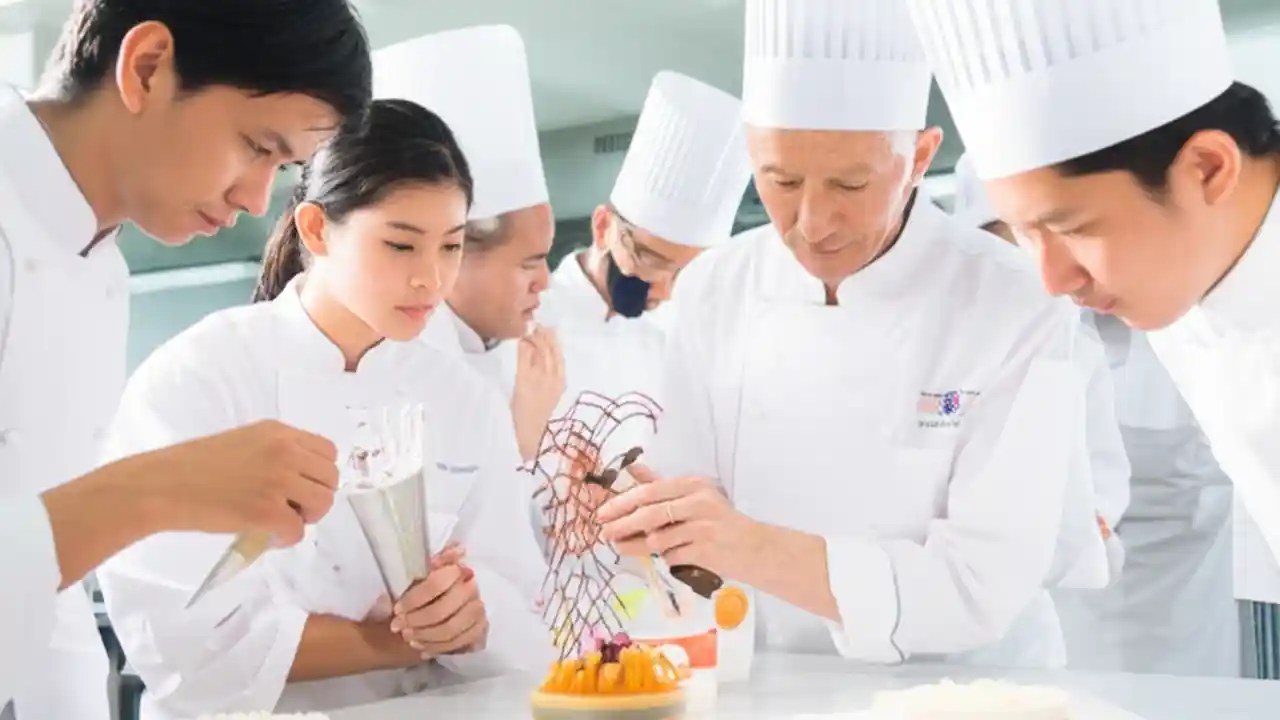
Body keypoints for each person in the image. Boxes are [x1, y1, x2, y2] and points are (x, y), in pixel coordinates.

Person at [597, 0, 1096, 669]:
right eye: (781, 181)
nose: (812, 222)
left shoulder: (1013, 301)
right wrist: (650, 523)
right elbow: (692, 514)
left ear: (920, 157)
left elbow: (979, 586)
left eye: (850, 183)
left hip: (973, 690)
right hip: (771, 680)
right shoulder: (715, 288)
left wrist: (740, 542)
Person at [99, 100, 550, 719]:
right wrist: (396, 642)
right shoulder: (200, 378)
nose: (431, 280)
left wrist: (470, 614)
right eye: (400, 245)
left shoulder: (462, 397)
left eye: (451, 246)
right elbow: (181, 637)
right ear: (316, 230)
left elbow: (521, 597)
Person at [0, 1, 371, 716]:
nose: (255, 197)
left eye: (283, 165)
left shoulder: (99, 269)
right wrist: (158, 490)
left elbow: (53, 603)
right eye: (256, 145)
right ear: (146, 68)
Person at [908, 0, 1280, 572]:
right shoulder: (1191, 283)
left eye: (1071, 228)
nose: (1054, 281)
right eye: (1026, 235)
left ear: (1207, 169)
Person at [953, 157, 1239, 676]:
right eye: (1025, 234)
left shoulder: (1201, 327)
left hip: (1185, 614)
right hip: (1033, 636)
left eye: (1072, 229)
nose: (1055, 266)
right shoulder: (998, 324)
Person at [535, 70, 752, 458]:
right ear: (603, 228)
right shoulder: (533, 322)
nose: (665, 292)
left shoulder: (687, 341)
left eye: (685, 274)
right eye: (652, 260)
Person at [375, 25, 564, 461]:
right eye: (528, 263)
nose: (545, 283)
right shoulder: (398, 367)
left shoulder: (525, 361)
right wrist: (522, 436)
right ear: (456, 255)